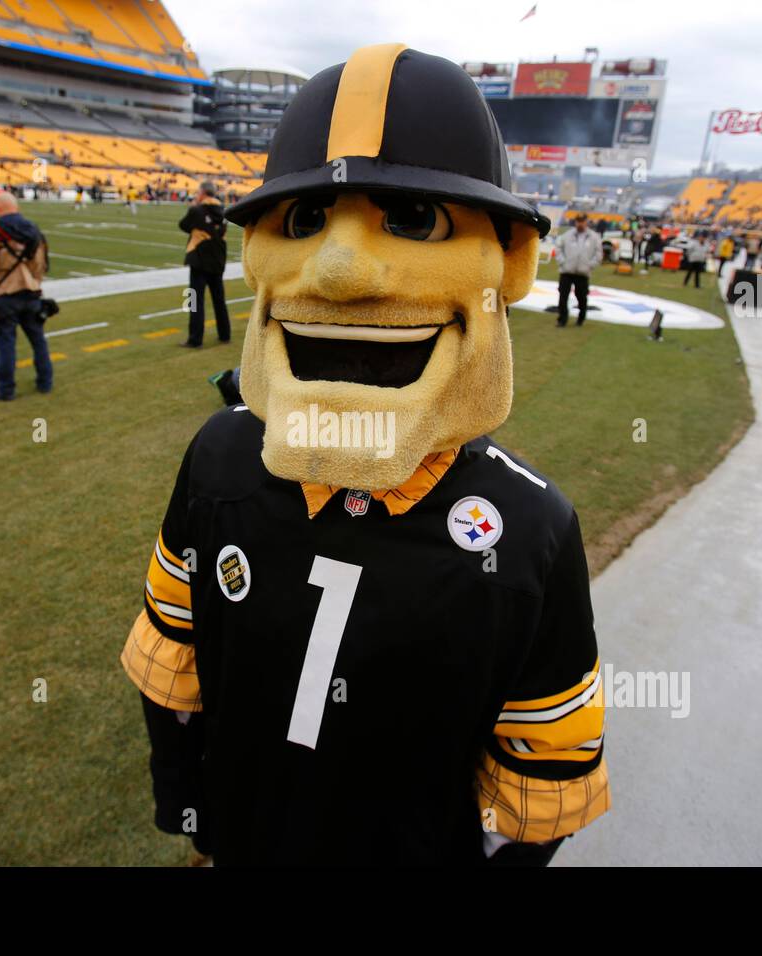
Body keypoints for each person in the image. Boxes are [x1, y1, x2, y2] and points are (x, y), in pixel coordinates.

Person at [121, 43, 607, 867]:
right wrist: (194, 812)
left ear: (513, 261)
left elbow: (544, 771)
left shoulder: (531, 526)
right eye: (304, 221)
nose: (339, 267)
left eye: (414, 218)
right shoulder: (220, 457)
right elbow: (174, 661)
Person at [0, 191, 52, 401]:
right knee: (38, 340)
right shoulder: (34, 231)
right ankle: (45, 382)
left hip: (5, 293)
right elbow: (43, 264)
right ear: (17, 207)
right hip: (32, 292)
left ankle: (6, 389)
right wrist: (32, 278)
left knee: (6, 344)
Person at [178, 180, 230, 347]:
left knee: (194, 300)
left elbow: (183, 225)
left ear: (202, 193)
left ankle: (195, 338)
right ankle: (224, 334)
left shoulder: (197, 210)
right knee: (219, 300)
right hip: (217, 261)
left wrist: (194, 206)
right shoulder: (224, 211)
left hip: (199, 261)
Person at [555, 212, 602, 327]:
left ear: (586, 222)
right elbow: (558, 249)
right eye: (578, 221)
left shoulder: (594, 237)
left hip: (582, 272)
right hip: (567, 271)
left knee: (581, 296)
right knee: (563, 296)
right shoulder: (567, 235)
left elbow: (598, 254)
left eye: (582, 221)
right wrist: (562, 262)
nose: (580, 224)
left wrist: (590, 265)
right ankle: (562, 319)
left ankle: (581, 318)